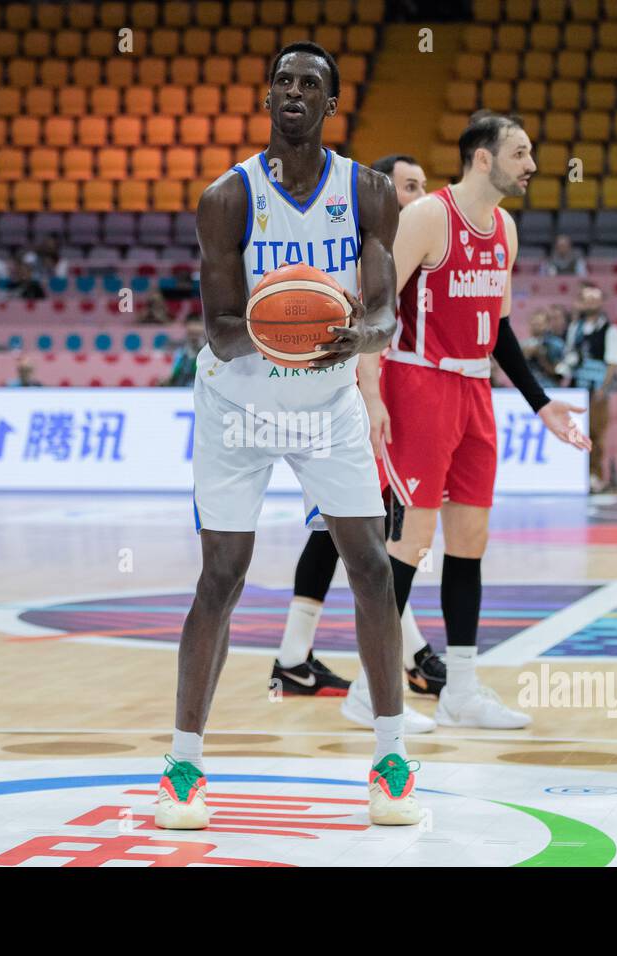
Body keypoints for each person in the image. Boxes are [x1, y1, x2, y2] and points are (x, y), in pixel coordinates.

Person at [159, 41, 421, 830]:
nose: (295, 92)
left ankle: (392, 758)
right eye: (283, 82)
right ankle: (183, 765)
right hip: (237, 403)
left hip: (325, 404)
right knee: (223, 575)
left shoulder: (369, 191)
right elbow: (220, 326)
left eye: (311, 83)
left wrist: (359, 334)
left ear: (331, 103)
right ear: (268, 97)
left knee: (371, 565)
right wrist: (295, 328)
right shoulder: (225, 198)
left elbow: (385, 310)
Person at [354, 109, 590, 732]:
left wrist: (540, 402)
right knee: (410, 541)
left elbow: (501, 327)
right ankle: (367, 688)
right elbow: (376, 306)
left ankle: (460, 690)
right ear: (482, 158)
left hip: (475, 389)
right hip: (418, 382)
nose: (531, 165)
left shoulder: (505, 227)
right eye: (520, 153)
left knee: (470, 541)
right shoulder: (428, 217)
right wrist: (371, 392)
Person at [272, 150, 444, 721]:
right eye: (409, 186)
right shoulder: (359, 255)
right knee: (367, 535)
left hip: (371, 404)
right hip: (339, 405)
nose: (422, 196)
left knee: (343, 534)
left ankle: (294, 659)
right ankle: (412, 658)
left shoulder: (410, 257)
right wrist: (369, 397)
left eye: (424, 185)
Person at [563, 282, 617, 492]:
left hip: (597, 388)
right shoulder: (575, 328)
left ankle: (595, 475)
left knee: (597, 433)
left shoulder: (610, 329)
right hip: (577, 387)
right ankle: (577, 474)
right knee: (576, 432)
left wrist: (603, 388)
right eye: (586, 299)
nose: (590, 303)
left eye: (594, 299)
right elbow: (570, 354)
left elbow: (613, 362)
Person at [521, 308, 566, 390]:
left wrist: (540, 355)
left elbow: (559, 373)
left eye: (539, 324)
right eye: (534, 324)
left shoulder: (556, 344)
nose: (536, 327)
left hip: (550, 387)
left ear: (547, 325)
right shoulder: (522, 345)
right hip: (528, 388)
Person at [163, 313, 205, 387]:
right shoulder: (181, 351)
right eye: (191, 334)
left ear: (203, 335)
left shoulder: (208, 352)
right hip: (182, 385)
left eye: (197, 334)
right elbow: (174, 372)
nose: (194, 338)